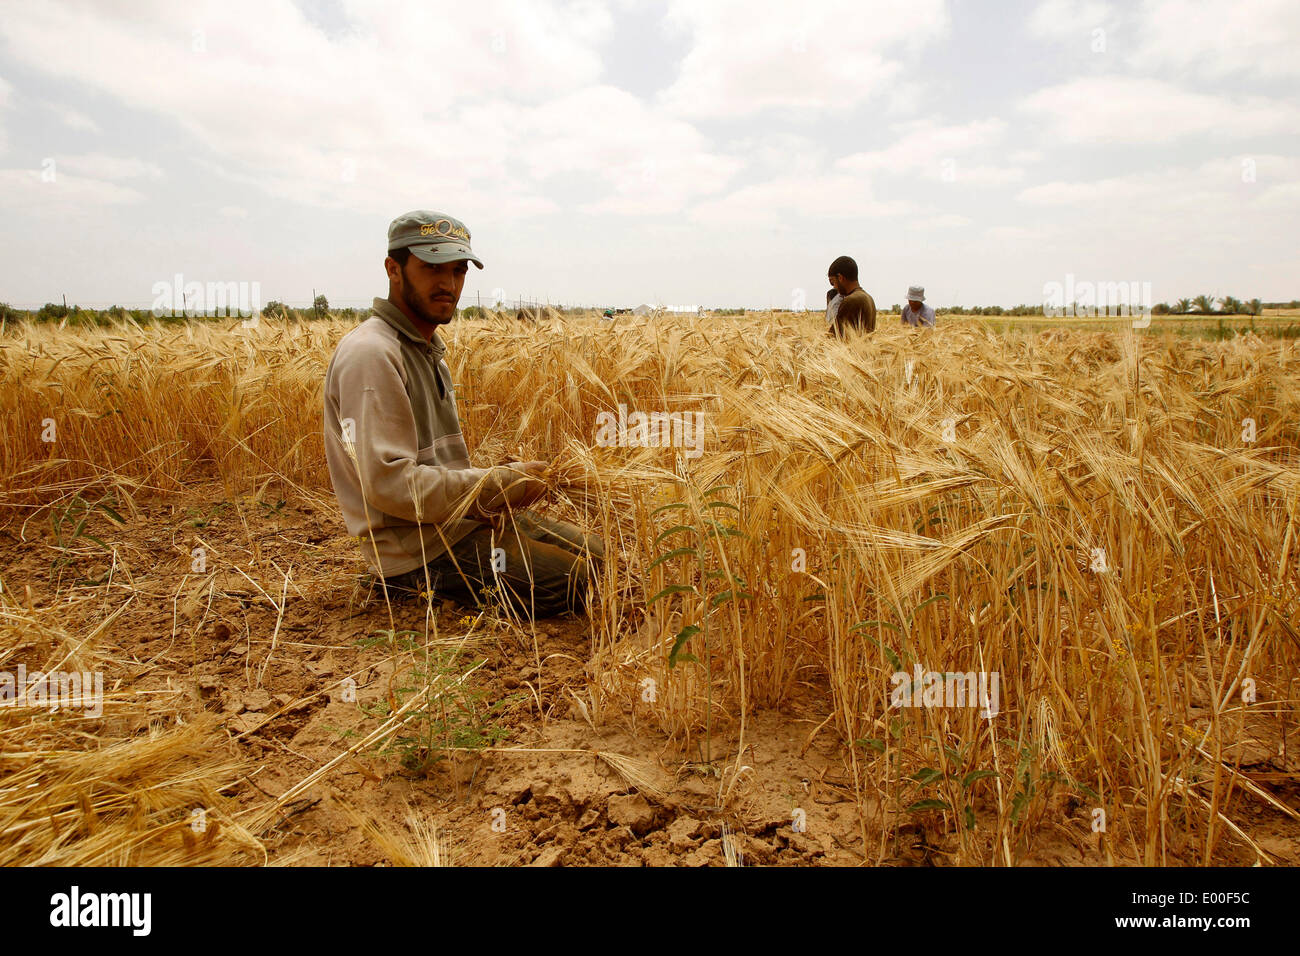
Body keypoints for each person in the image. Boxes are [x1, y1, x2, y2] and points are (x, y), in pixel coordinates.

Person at [322, 209, 604, 618]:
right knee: (580, 581)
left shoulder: (427, 350)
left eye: (458, 271)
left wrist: (505, 485)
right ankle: (402, 586)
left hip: (460, 523)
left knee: (601, 557)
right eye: (431, 268)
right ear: (393, 269)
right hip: (417, 548)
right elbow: (389, 486)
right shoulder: (373, 353)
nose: (448, 284)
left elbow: (439, 470)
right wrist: (497, 485)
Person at [826, 255, 876, 337]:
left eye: (833, 282)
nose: (834, 287)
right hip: (863, 348)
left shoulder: (852, 300)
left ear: (840, 277)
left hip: (852, 349)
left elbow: (833, 336)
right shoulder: (869, 298)